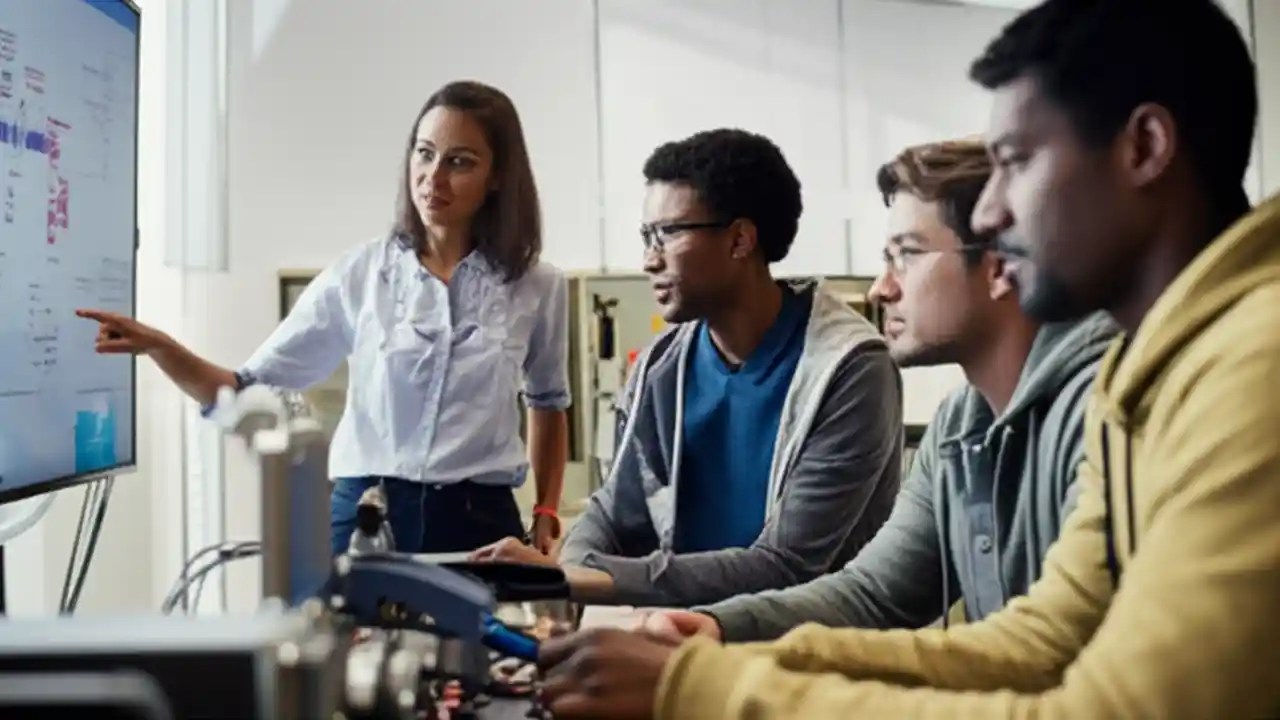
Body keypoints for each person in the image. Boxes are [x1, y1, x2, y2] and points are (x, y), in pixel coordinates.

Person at [533, 1, 1280, 718]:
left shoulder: (1256, 365)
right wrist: (730, 646)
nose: (991, 215)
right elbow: (1040, 636)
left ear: (1144, 148)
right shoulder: (1149, 372)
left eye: (1017, 162)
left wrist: (706, 692)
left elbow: (1130, 707)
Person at [643, 137, 1116, 644]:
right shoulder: (960, 424)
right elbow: (875, 592)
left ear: (1001, 264)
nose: (880, 289)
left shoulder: (1103, 418)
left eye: (906, 256)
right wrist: (717, 625)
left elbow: (1057, 651)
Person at [78, 81, 571, 558]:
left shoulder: (537, 286)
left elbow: (548, 401)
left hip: (479, 522)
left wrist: (547, 508)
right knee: (347, 645)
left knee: (488, 645)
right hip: (366, 516)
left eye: (459, 162)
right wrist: (162, 347)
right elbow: (244, 387)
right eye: (423, 153)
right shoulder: (360, 274)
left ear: (499, 176)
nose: (432, 177)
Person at [473, 128, 904, 607]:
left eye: (668, 233)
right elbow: (614, 512)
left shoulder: (849, 368)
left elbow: (788, 565)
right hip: (689, 644)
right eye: (646, 235)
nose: (648, 259)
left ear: (740, 239)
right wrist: (573, 569)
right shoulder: (663, 365)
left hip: (810, 658)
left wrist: (583, 576)